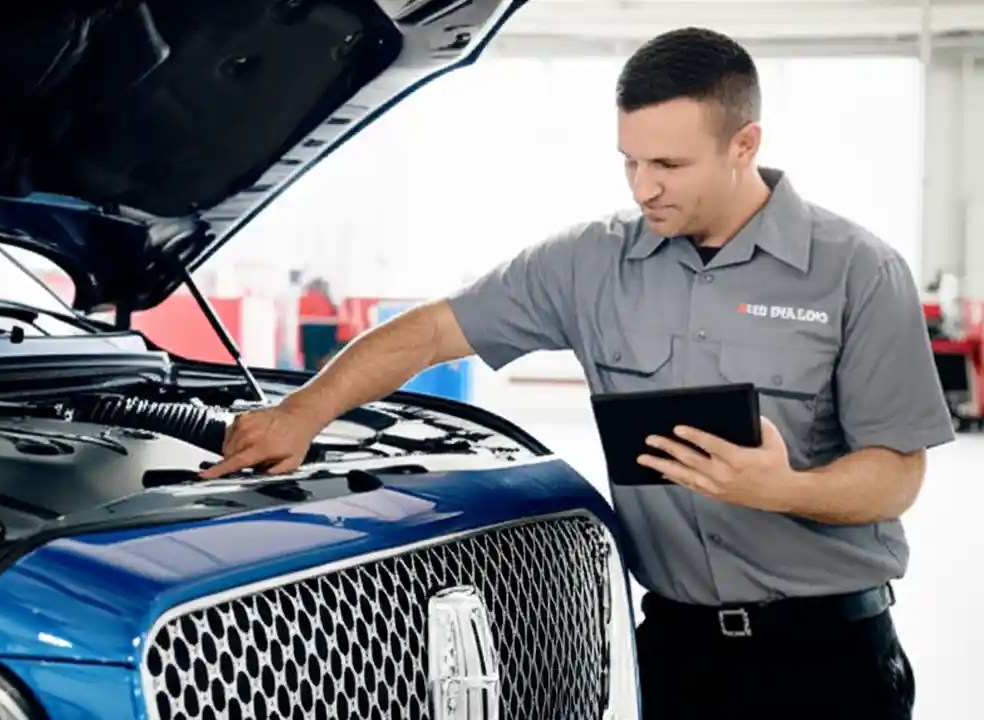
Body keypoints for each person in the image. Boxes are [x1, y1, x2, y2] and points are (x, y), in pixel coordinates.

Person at [200, 26, 953, 720]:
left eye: (668, 164)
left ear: (743, 144)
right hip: (676, 655)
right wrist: (301, 413)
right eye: (629, 160)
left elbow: (896, 475)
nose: (642, 187)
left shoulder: (857, 271)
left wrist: (783, 490)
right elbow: (431, 332)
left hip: (829, 662)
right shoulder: (588, 263)